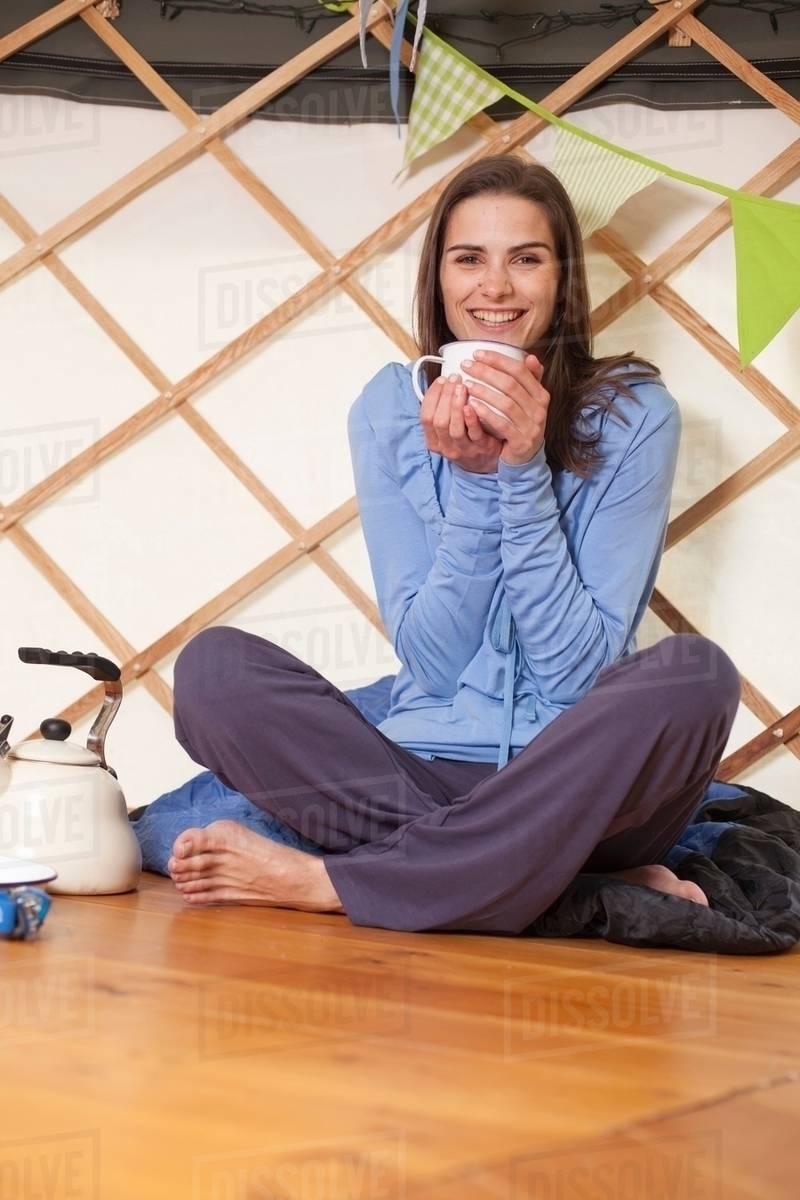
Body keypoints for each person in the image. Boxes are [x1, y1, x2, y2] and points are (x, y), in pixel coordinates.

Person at [166, 156, 740, 933]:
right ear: (437, 279)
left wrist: (519, 469)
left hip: (576, 783)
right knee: (214, 670)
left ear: (563, 282)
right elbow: (431, 663)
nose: (494, 289)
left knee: (697, 675)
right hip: (416, 768)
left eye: (526, 259)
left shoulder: (637, 414)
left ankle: (331, 882)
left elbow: (575, 675)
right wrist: (470, 483)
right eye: (469, 259)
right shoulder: (387, 411)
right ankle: (563, 882)